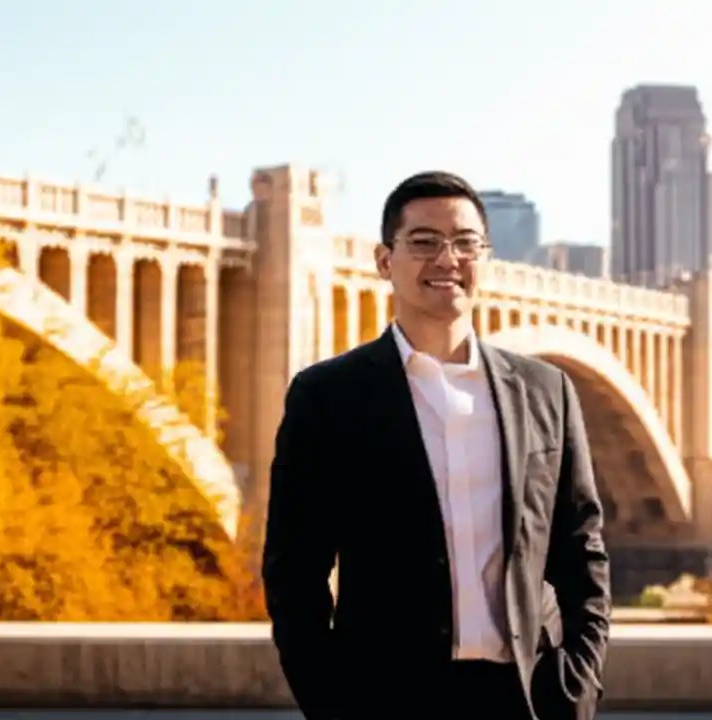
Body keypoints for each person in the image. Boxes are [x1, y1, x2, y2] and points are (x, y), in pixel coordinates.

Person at [262, 170, 611, 720]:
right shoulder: (327, 396)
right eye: (424, 242)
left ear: (485, 261)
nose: (448, 259)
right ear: (384, 261)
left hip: (526, 699)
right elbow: (294, 572)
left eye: (466, 243)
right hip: (388, 700)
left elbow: (581, 549)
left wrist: (577, 687)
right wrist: (333, 705)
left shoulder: (547, 392)